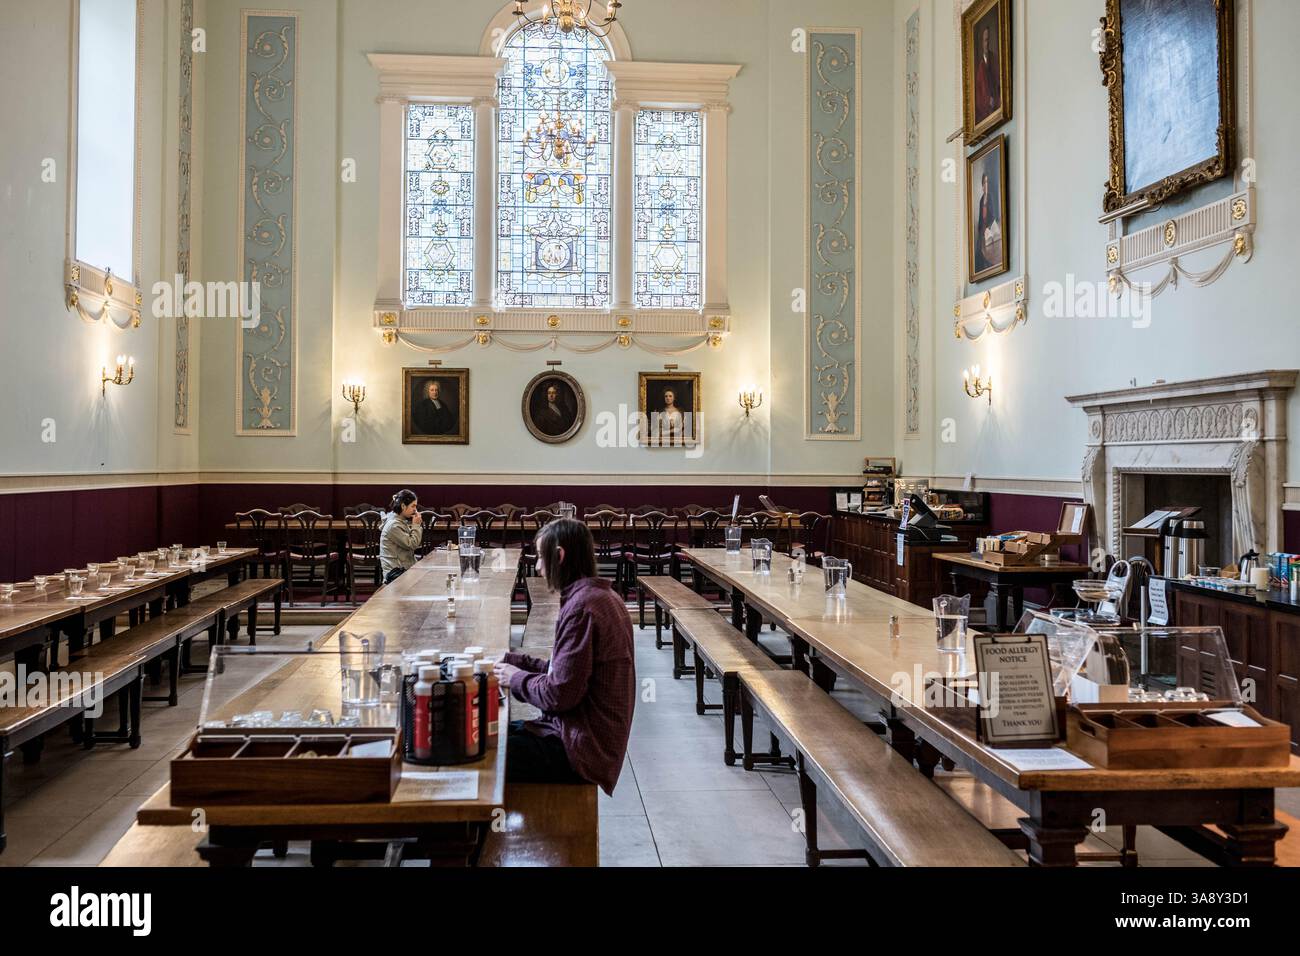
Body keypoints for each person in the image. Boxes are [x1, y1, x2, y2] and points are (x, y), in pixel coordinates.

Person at [492, 518, 635, 795]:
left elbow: (560, 694)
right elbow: (570, 672)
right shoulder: (601, 596)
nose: (537, 568)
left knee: (485, 756)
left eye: (540, 559)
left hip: (581, 750)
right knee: (493, 736)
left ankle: (471, 834)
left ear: (559, 556)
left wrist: (516, 679)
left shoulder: (583, 607)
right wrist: (517, 661)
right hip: (582, 736)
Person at [379, 489, 423, 583]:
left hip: (402, 570)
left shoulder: (400, 521)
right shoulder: (394, 525)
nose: (415, 510)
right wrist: (416, 525)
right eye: (413, 506)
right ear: (403, 506)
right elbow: (412, 544)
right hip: (395, 574)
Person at [973, 21, 1000, 123]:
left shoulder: (994, 59)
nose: (987, 43)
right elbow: (979, 95)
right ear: (982, 42)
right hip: (985, 111)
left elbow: (998, 82)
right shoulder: (980, 67)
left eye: (988, 40)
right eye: (985, 40)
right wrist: (988, 100)